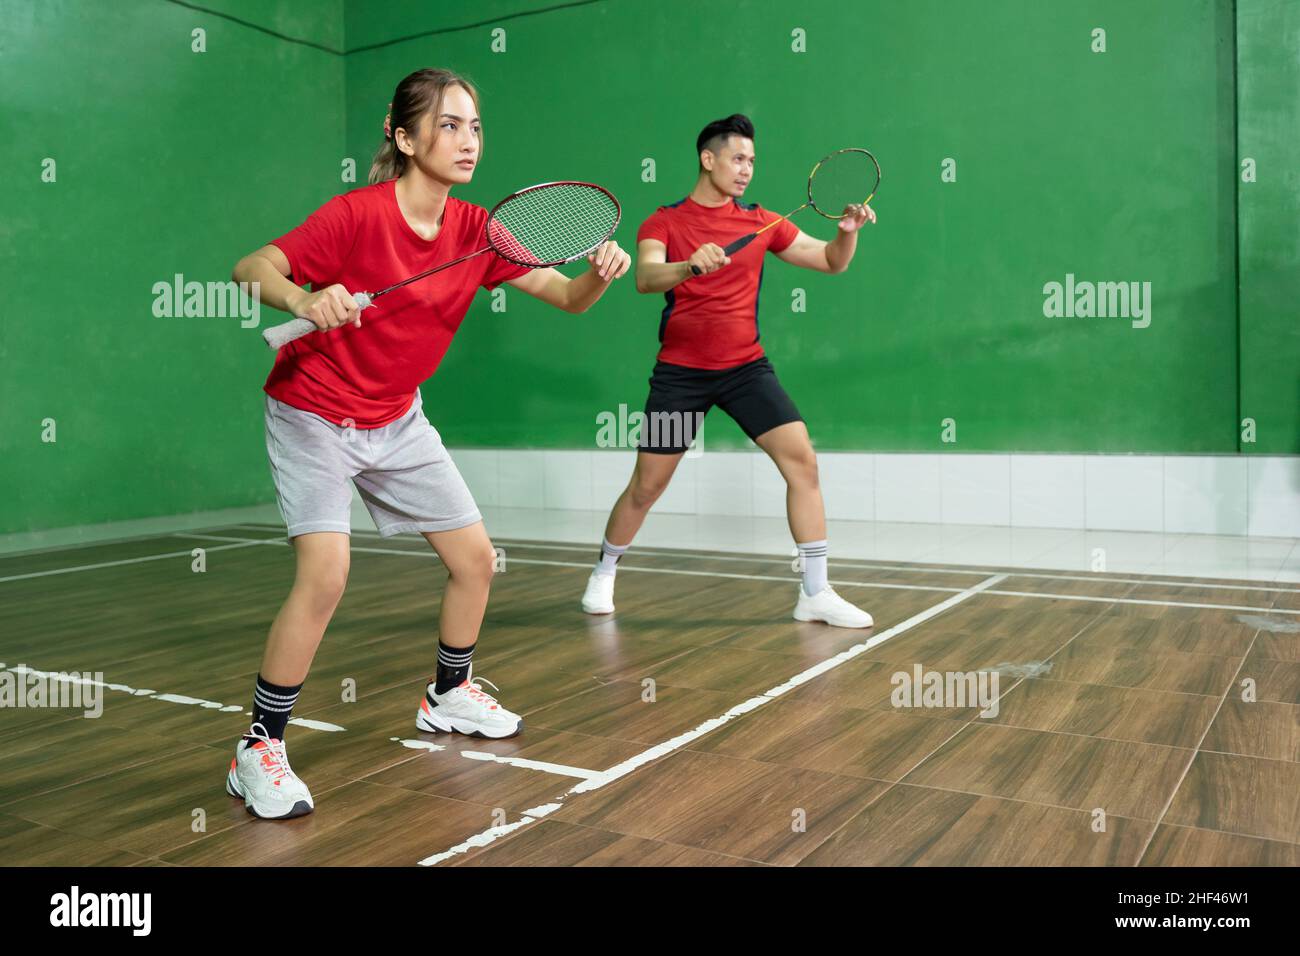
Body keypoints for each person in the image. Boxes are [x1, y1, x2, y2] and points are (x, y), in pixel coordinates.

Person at [227, 68, 629, 819]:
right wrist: (304, 297)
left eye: (475, 126)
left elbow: (570, 299)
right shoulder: (356, 215)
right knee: (326, 574)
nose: (468, 140)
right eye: (449, 125)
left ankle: (447, 693)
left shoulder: (483, 232)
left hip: (397, 419)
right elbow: (251, 268)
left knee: (477, 561)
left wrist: (600, 276)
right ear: (404, 136)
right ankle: (258, 748)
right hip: (313, 412)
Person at [581, 114, 874, 629]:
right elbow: (645, 279)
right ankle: (605, 570)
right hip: (680, 376)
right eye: (738, 159)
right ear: (707, 158)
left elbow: (830, 261)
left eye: (752, 162)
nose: (746, 170)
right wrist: (689, 266)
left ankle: (815, 591)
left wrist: (845, 233)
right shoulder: (664, 221)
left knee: (802, 463)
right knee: (647, 487)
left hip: (746, 370)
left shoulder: (763, 222)